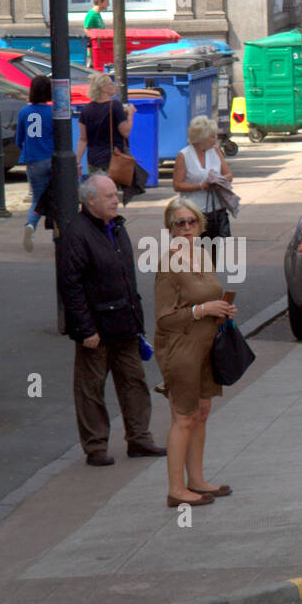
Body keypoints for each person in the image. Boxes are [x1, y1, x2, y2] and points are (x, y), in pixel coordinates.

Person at [56, 174, 167, 467]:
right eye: (109, 196)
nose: (116, 200)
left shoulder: (116, 227)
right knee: (91, 389)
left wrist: (137, 317)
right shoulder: (76, 234)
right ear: (90, 200)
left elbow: (125, 275)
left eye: (115, 195)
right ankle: (96, 447)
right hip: (96, 329)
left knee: (134, 383)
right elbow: (70, 285)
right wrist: (84, 328)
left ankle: (139, 438)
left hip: (125, 322)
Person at [154, 197, 237, 507]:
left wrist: (223, 309)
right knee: (184, 417)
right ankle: (176, 490)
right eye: (180, 223)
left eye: (192, 222)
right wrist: (202, 309)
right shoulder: (169, 262)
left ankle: (197, 480)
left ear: (201, 225)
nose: (187, 228)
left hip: (206, 346)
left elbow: (208, 297)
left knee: (201, 414)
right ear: (170, 228)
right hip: (181, 350)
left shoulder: (202, 254)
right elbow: (164, 318)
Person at [172, 115, 234, 251]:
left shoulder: (216, 151)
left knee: (211, 255)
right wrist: (200, 186)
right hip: (193, 213)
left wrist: (220, 180)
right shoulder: (184, 155)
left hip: (215, 211)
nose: (215, 140)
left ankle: (210, 273)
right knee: (194, 255)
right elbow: (177, 184)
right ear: (201, 138)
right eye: (212, 137)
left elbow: (228, 174)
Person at [17, 74, 54, 254]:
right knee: (57, 197)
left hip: (33, 160)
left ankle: (31, 225)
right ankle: (58, 232)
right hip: (51, 159)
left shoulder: (24, 112)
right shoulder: (51, 112)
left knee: (37, 199)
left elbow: (19, 139)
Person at [75, 72, 134, 178]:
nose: (114, 86)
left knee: (98, 190)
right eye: (111, 84)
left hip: (93, 159)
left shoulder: (86, 110)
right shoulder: (115, 106)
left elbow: (83, 139)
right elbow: (125, 132)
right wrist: (130, 114)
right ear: (103, 89)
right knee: (109, 190)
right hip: (111, 158)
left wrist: (77, 161)